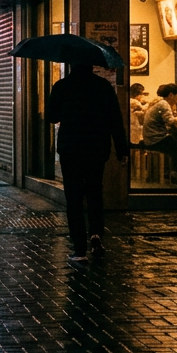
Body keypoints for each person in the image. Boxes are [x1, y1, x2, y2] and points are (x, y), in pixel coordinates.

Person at [45, 64, 129, 260]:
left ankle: (79, 248)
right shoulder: (103, 87)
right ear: (91, 65)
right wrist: (122, 150)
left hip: (71, 148)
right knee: (94, 192)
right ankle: (96, 234)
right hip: (96, 147)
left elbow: (51, 116)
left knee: (73, 197)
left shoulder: (62, 86)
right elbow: (115, 119)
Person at [142, 83, 177, 182]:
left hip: (151, 138)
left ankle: (174, 172)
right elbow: (171, 122)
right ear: (171, 95)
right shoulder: (164, 104)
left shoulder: (159, 103)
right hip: (157, 140)